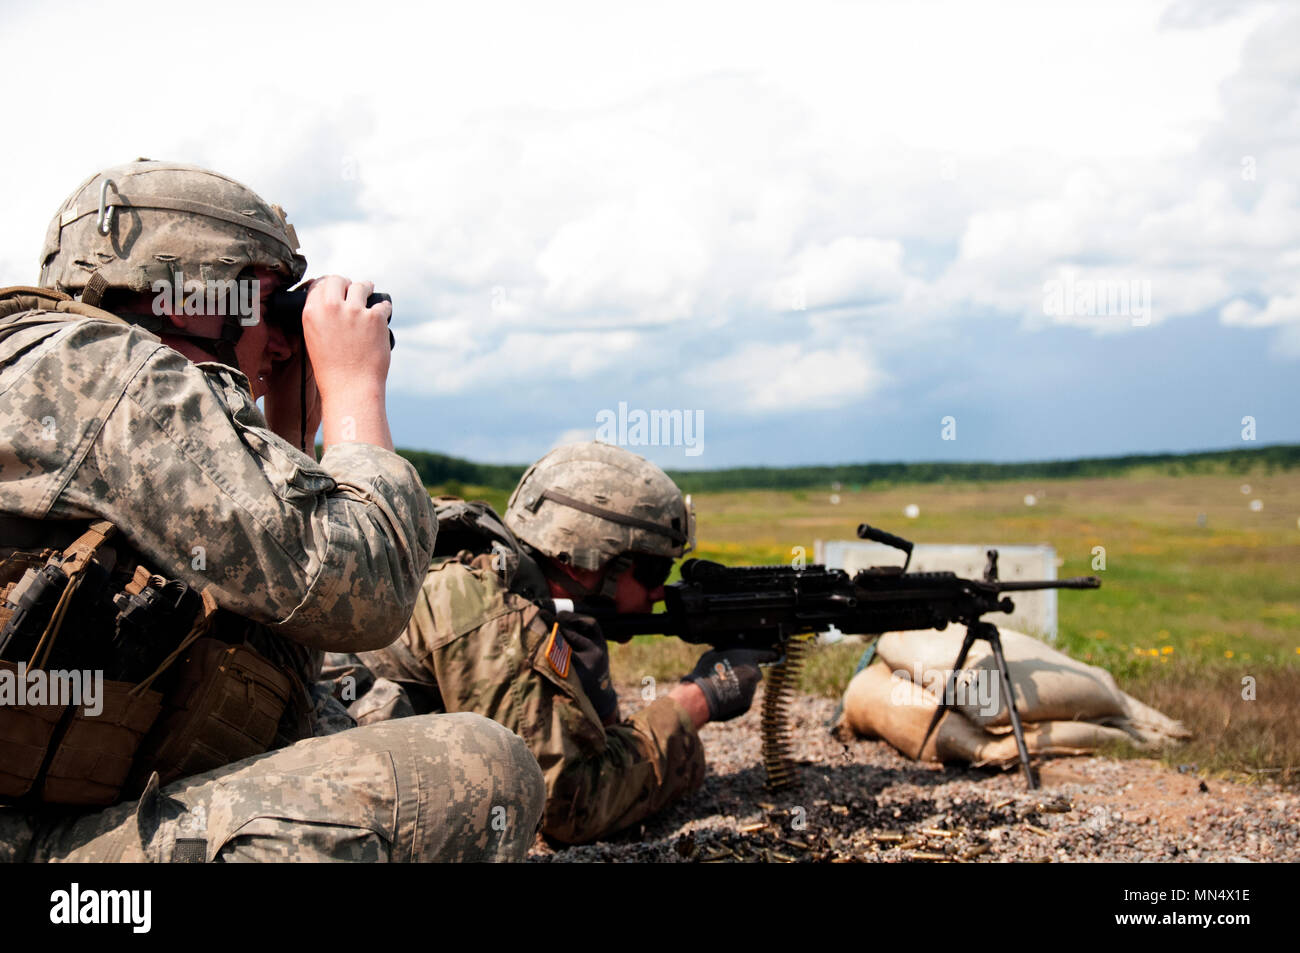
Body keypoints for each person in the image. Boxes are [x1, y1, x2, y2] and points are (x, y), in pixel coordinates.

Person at [0, 160, 543, 862]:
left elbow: (278, 634)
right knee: (481, 771)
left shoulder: (51, 366)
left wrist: (291, 427)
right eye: (266, 306)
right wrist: (352, 389)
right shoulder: (110, 377)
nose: (284, 340)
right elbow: (367, 596)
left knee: (338, 716)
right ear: (185, 295)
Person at [329, 441, 776, 843]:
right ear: (589, 562)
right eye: (653, 572)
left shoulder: (497, 580)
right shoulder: (494, 616)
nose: (660, 592)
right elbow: (569, 807)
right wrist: (697, 700)